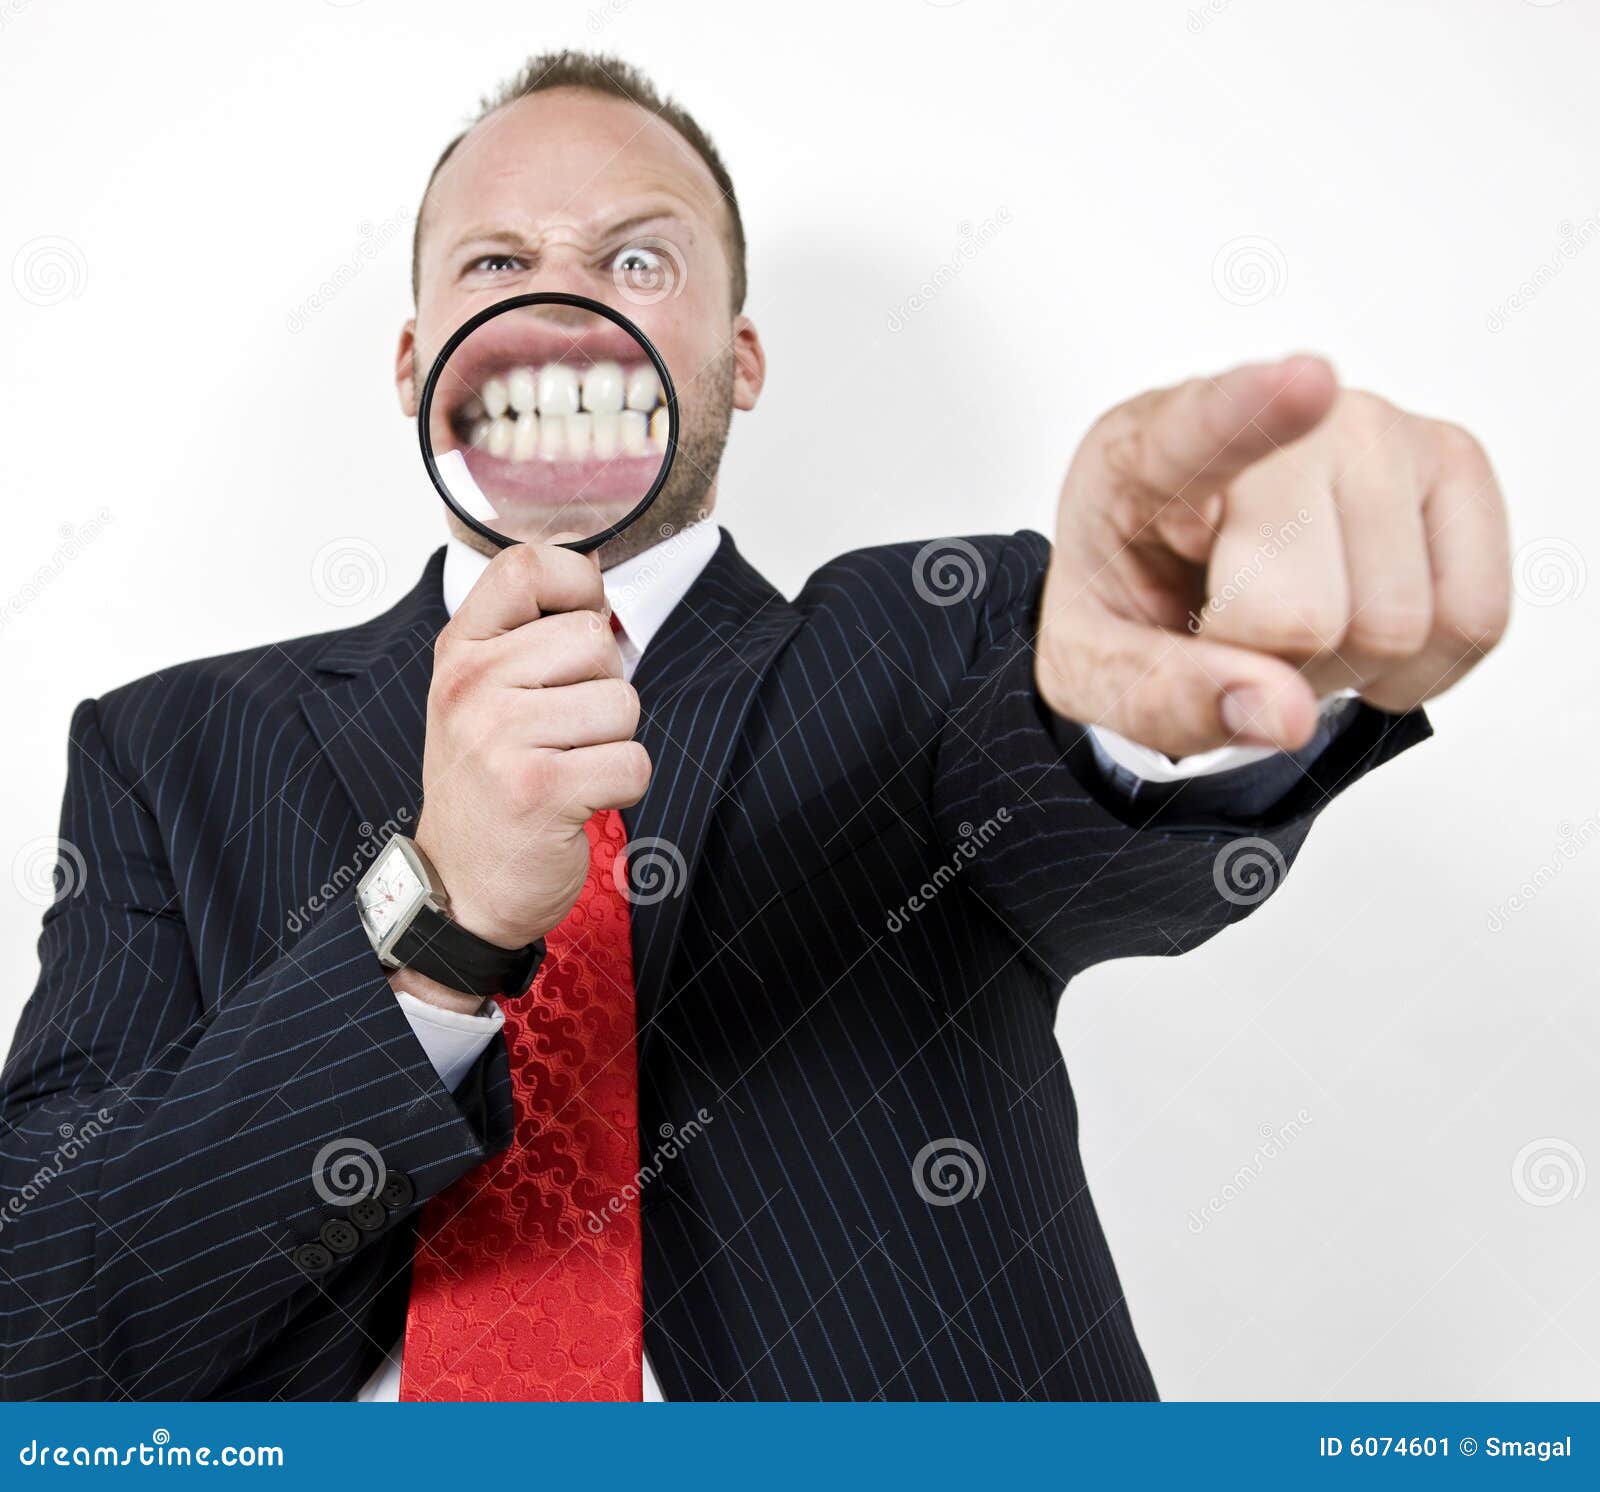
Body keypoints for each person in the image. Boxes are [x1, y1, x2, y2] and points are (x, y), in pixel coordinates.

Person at [0, 50, 1508, 1402]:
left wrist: (1205, 648)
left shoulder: (936, 644)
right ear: (414, 362)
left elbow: (1091, 809)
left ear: (740, 358)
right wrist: (434, 924)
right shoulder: (168, 750)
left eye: (637, 257)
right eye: (499, 259)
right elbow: (42, 1333)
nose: (565, 300)